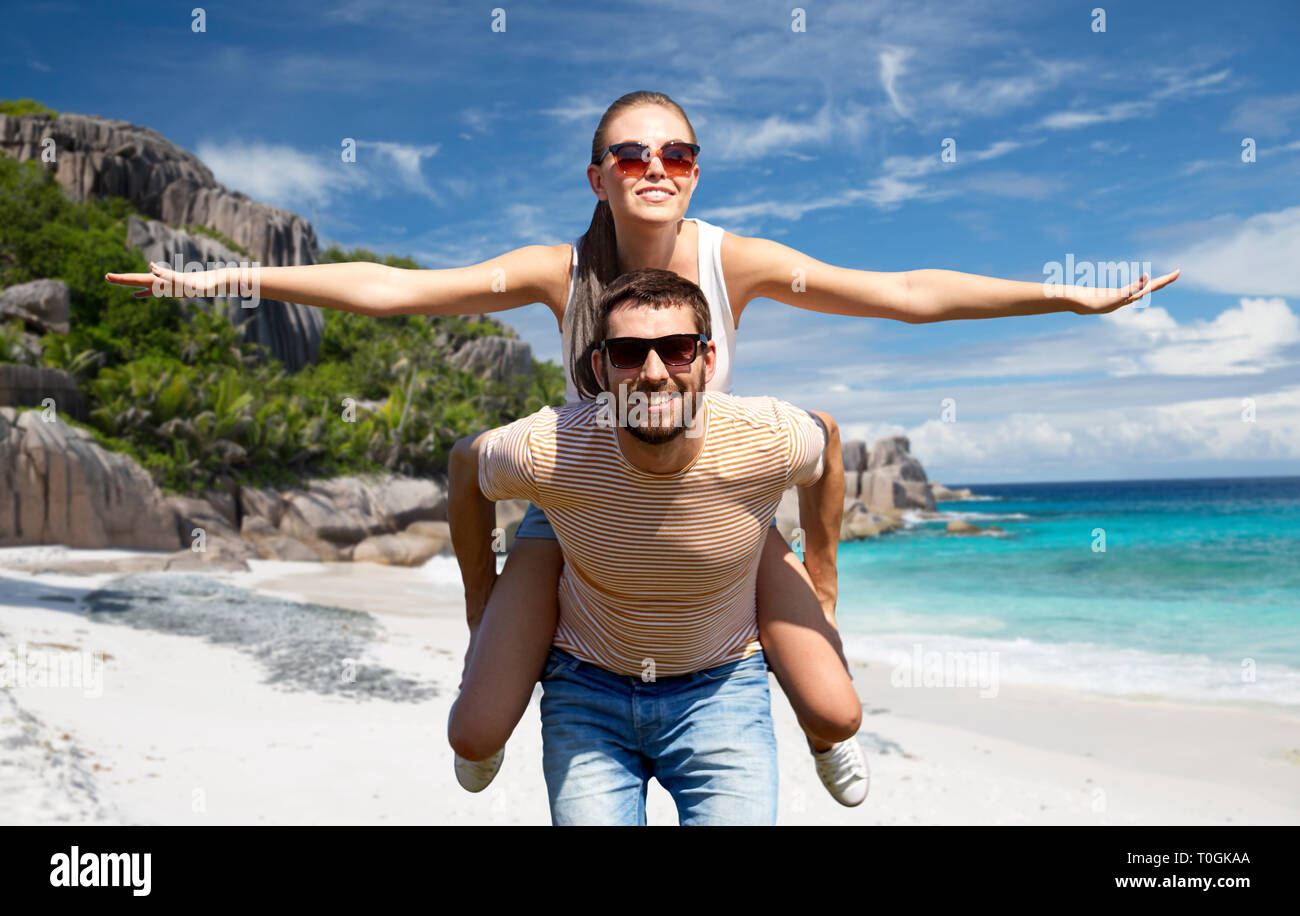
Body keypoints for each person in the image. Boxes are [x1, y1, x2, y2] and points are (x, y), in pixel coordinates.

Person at [104, 89, 1179, 806]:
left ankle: (814, 723)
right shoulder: (552, 269)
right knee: (476, 731)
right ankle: (505, 687)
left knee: (834, 703)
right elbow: (393, 292)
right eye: (631, 152)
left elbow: (902, 294)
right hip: (581, 516)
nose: (654, 166)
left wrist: (1059, 298)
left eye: (677, 152)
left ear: (696, 172)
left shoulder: (737, 261)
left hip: (713, 508)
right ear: (598, 175)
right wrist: (225, 279)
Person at [452, 267, 835, 824]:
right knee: (472, 731)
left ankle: (826, 737)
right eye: (629, 353)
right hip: (587, 683)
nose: (654, 374)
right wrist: (479, 607)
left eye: (676, 349)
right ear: (600, 367)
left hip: (721, 683)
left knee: (838, 714)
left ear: (708, 360)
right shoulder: (549, 448)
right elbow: (466, 462)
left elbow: (830, 438)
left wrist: (825, 584)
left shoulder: (768, 437)